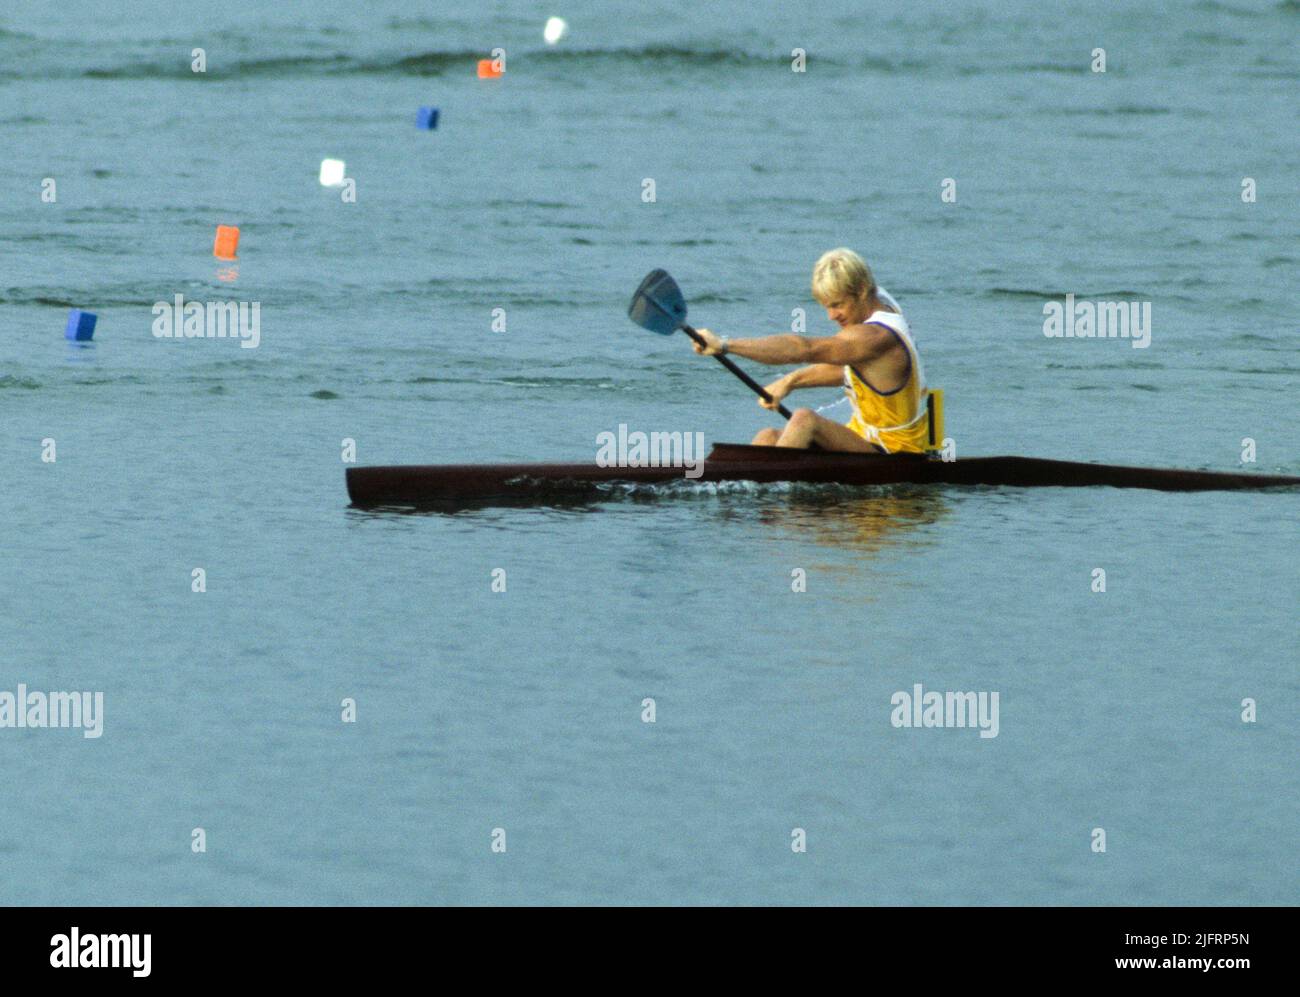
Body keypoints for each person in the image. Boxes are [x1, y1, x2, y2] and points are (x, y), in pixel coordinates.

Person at [692, 248, 929, 452]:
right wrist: (790, 381)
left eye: (837, 305)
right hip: (862, 437)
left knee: (805, 419)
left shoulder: (874, 336)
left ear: (863, 291)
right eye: (827, 306)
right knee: (768, 436)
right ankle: (739, 485)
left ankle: (766, 487)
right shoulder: (881, 304)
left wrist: (725, 345)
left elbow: (804, 349)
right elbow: (851, 372)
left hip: (894, 452)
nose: (831, 316)